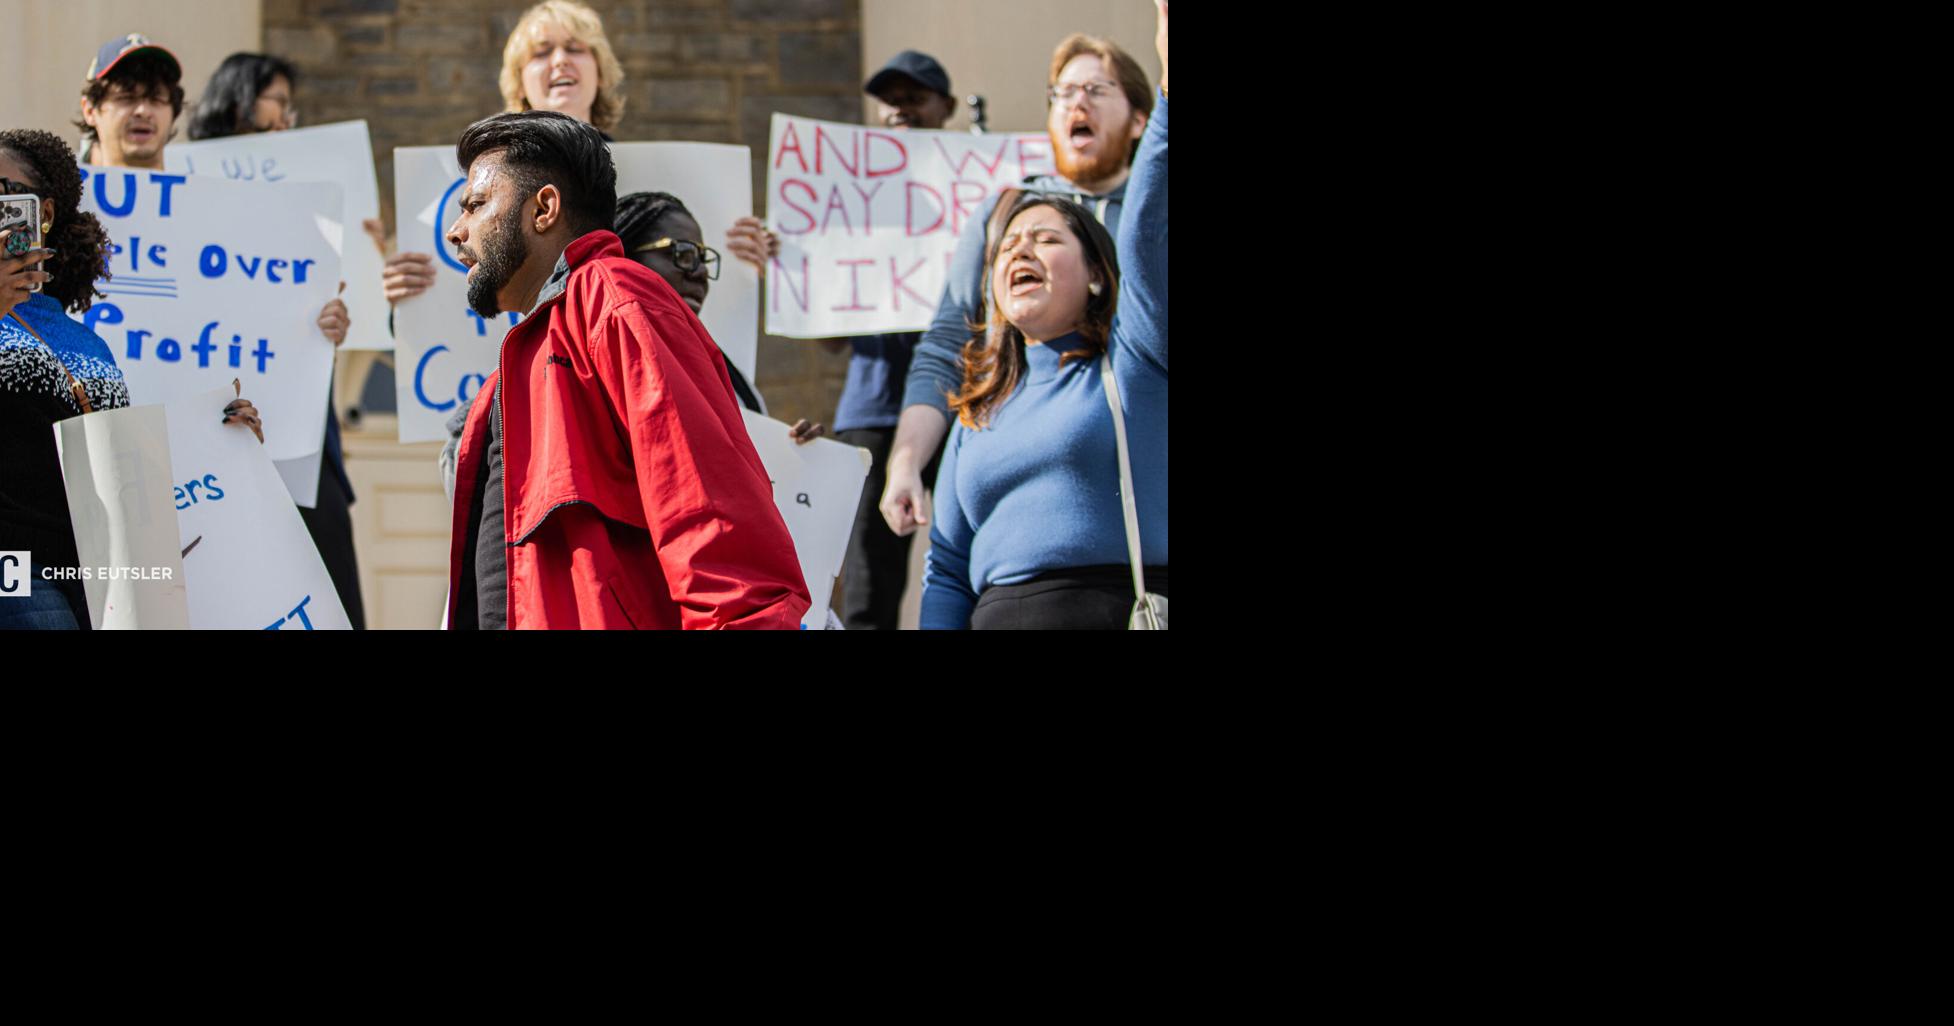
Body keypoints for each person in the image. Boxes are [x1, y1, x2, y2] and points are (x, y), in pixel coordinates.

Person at [442, 111, 808, 629]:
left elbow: (711, 518)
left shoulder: (615, 301)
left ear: (544, 208)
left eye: (476, 205)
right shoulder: (518, 364)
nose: (457, 232)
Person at [920, 2, 1167, 629]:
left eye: (1047, 239)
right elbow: (947, 568)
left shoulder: (1134, 360)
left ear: (1094, 275)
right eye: (1008, 246)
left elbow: (1143, 231)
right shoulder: (977, 406)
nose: (1020, 249)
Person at [722, 49, 959, 630]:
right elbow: (832, 342)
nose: (900, 110)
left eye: (915, 97)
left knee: (965, 558)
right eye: (890, 99)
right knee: (869, 582)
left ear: (947, 108)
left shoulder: (966, 192)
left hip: (963, 402)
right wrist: (794, 274)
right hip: (874, 407)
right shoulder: (852, 193)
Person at [1, 129, 262, 630]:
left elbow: (124, 455)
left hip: (95, 566)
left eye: (5, 192)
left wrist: (221, 441)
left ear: (46, 215)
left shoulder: (87, 342)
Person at [185, 52, 365, 628]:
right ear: (239, 100)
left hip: (303, 453)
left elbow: (320, 311)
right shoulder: (175, 191)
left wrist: (335, 316)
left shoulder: (312, 199)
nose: (287, 119)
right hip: (210, 451)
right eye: (278, 103)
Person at [383, 0, 627, 306]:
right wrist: (406, 303)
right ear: (520, 81)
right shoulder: (469, 180)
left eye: (575, 48)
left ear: (600, 72)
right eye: (541, 52)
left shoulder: (653, 182)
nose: (560, 60)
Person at [75, 34, 184, 169]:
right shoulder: (72, 190)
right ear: (90, 111)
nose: (143, 111)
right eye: (126, 98)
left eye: (156, 99)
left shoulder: (204, 190)